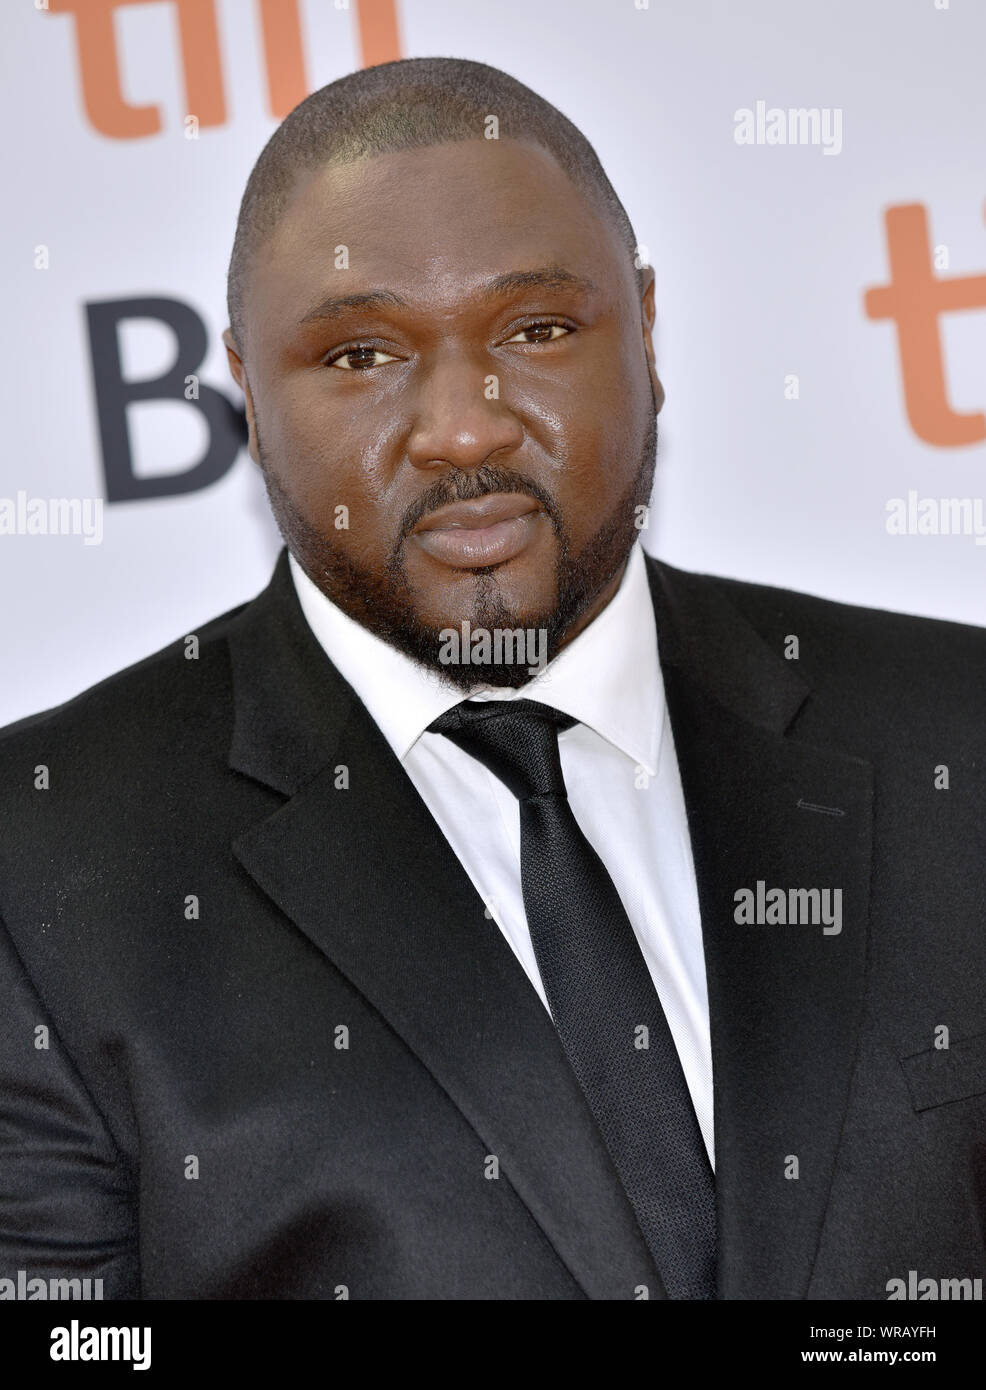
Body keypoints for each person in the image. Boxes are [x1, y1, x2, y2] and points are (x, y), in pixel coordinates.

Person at [1, 57, 985, 1302]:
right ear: (248, 392)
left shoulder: (956, 737)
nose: (463, 428)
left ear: (645, 333)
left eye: (536, 330)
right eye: (358, 354)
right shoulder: (39, 864)